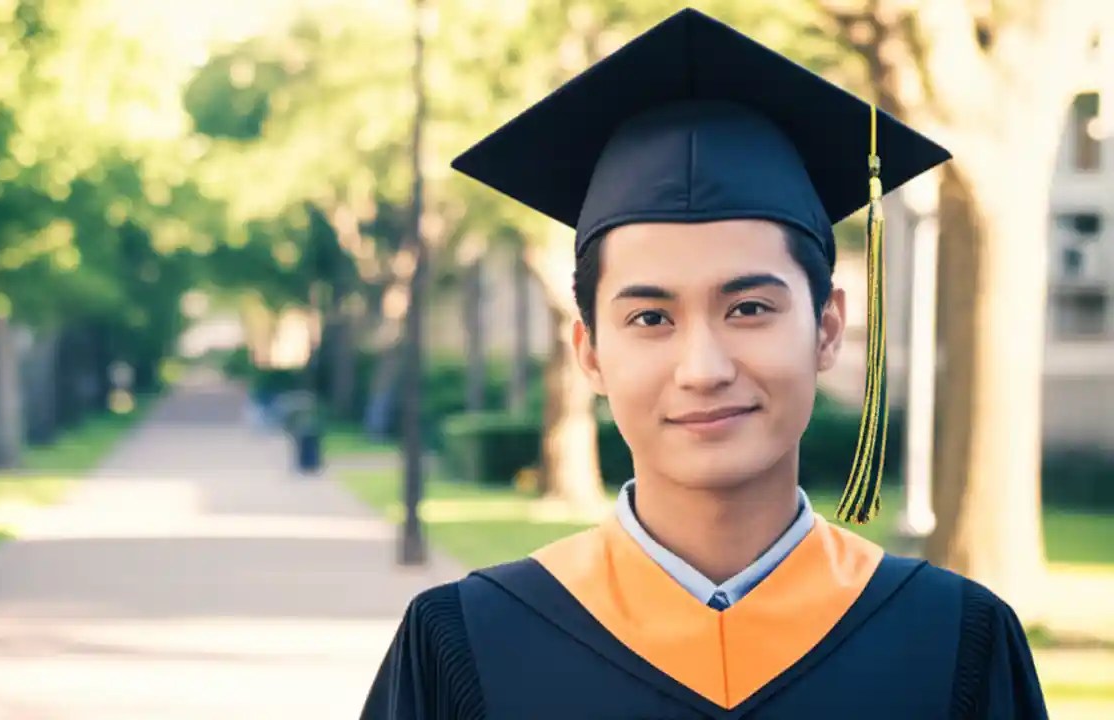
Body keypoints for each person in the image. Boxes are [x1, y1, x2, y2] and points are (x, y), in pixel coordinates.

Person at [360, 8, 1047, 719]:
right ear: (590, 353)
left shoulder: (951, 644)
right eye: (650, 318)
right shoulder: (469, 644)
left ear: (828, 327)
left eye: (749, 308)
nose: (703, 367)